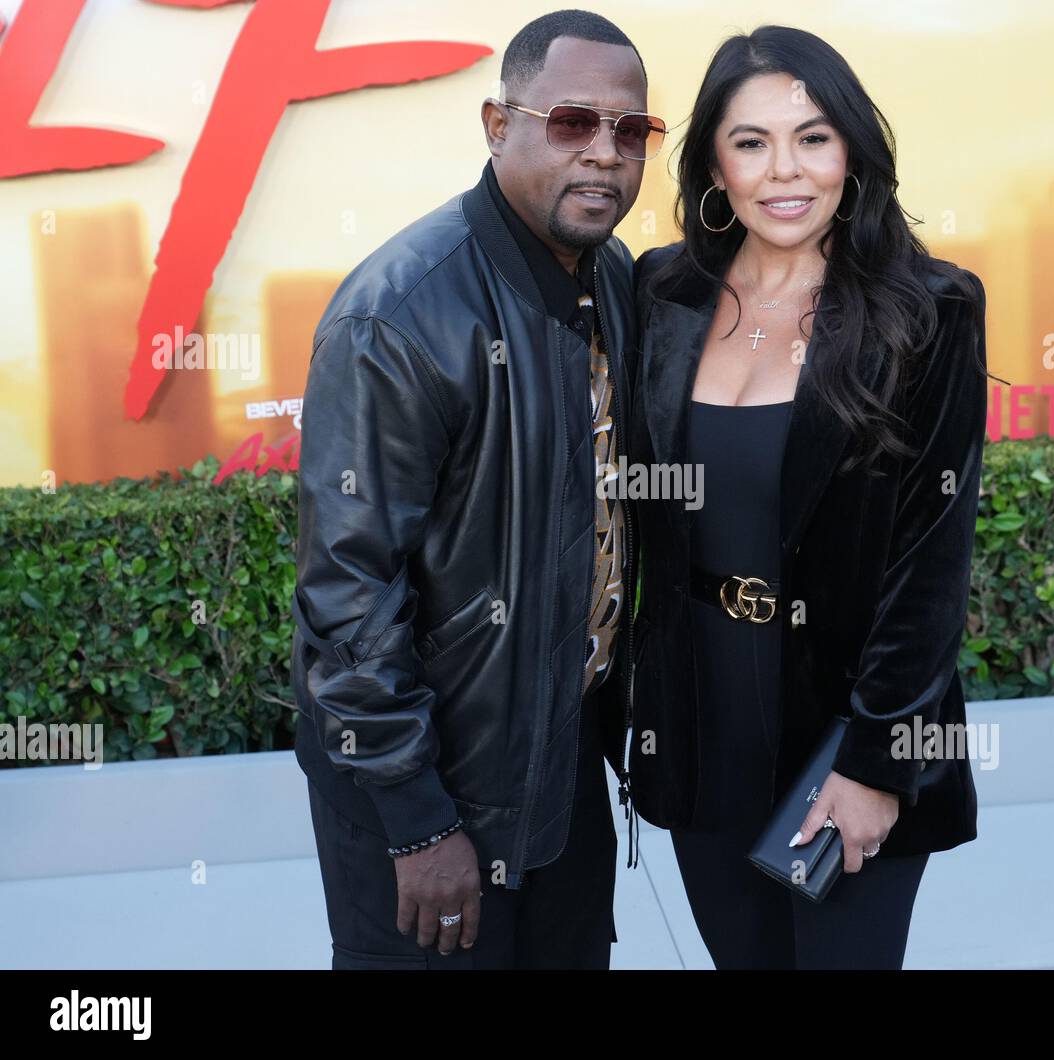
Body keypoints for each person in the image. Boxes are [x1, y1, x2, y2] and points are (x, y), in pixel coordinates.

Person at [290, 9, 662, 969]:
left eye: (631, 132)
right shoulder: (401, 314)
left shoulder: (611, 276)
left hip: (560, 757)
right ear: (500, 126)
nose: (606, 156)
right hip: (431, 791)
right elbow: (348, 593)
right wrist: (417, 823)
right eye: (573, 122)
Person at [626, 24, 994, 969]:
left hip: (848, 725)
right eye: (751, 142)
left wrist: (876, 762)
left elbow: (931, 563)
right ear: (714, 160)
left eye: (814, 137)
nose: (785, 171)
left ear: (852, 152)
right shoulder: (660, 293)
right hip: (701, 720)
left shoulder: (930, 310)